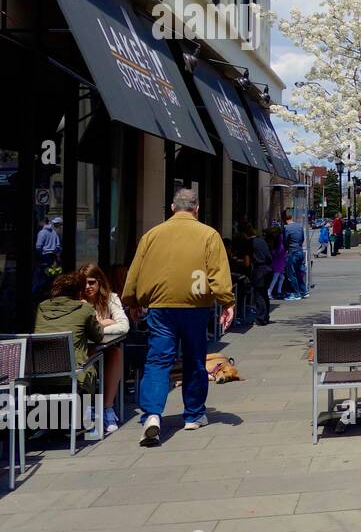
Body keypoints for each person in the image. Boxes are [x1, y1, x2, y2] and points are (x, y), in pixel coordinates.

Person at [121, 187, 234, 446]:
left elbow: (135, 271)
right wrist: (227, 301)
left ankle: (152, 414)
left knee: (158, 360)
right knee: (195, 359)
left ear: (172, 208)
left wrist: (133, 300)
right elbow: (218, 271)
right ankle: (194, 414)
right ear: (197, 209)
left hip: (161, 306)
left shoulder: (152, 235)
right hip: (196, 306)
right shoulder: (209, 235)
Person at [34, 272, 103, 424]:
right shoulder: (84, 309)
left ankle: (55, 420)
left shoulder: (42, 307)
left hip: (40, 376)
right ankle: (93, 414)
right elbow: (98, 336)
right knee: (99, 358)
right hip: (72, 376)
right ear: (79, 291)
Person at [78, 264, 129, 433]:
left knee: (116, 353)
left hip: (103, 349)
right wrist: (103, 324)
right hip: (82, 352)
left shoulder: (111, 298)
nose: (87, 287)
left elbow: (124, 326)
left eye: (91, 282)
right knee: (91, 354)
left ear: (99, 282)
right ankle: (90, 409)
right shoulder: (77, 302)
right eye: (83, 283)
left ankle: (107, 408)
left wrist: (98, 328)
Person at [248, 223, 273, 326]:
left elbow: (247, 261)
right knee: (264, 294)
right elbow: (269, 256)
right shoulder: (261, 241)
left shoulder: (251, 243)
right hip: (267, 269)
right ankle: (265, 316)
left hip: (259, 270)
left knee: (259, 295)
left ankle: (261, 318)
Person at [282, 211, 307, 300]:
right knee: (299, 272)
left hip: (292, 252)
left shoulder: (287, 228)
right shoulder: (299, 226)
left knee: (291, 273)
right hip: (300, 251)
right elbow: (302, 238)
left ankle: (296, 294)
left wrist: (285, 250)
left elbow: (285, 241)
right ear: (291, 217)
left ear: (284, 219)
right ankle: (304, 291)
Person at [267, 225, 286, 299]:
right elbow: (279, 251)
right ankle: (269, 292)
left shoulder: (277, 239)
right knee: (276, 277)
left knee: (281, 277)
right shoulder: (281, 239)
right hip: (279, 262)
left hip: (278, 261)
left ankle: (278, 291)